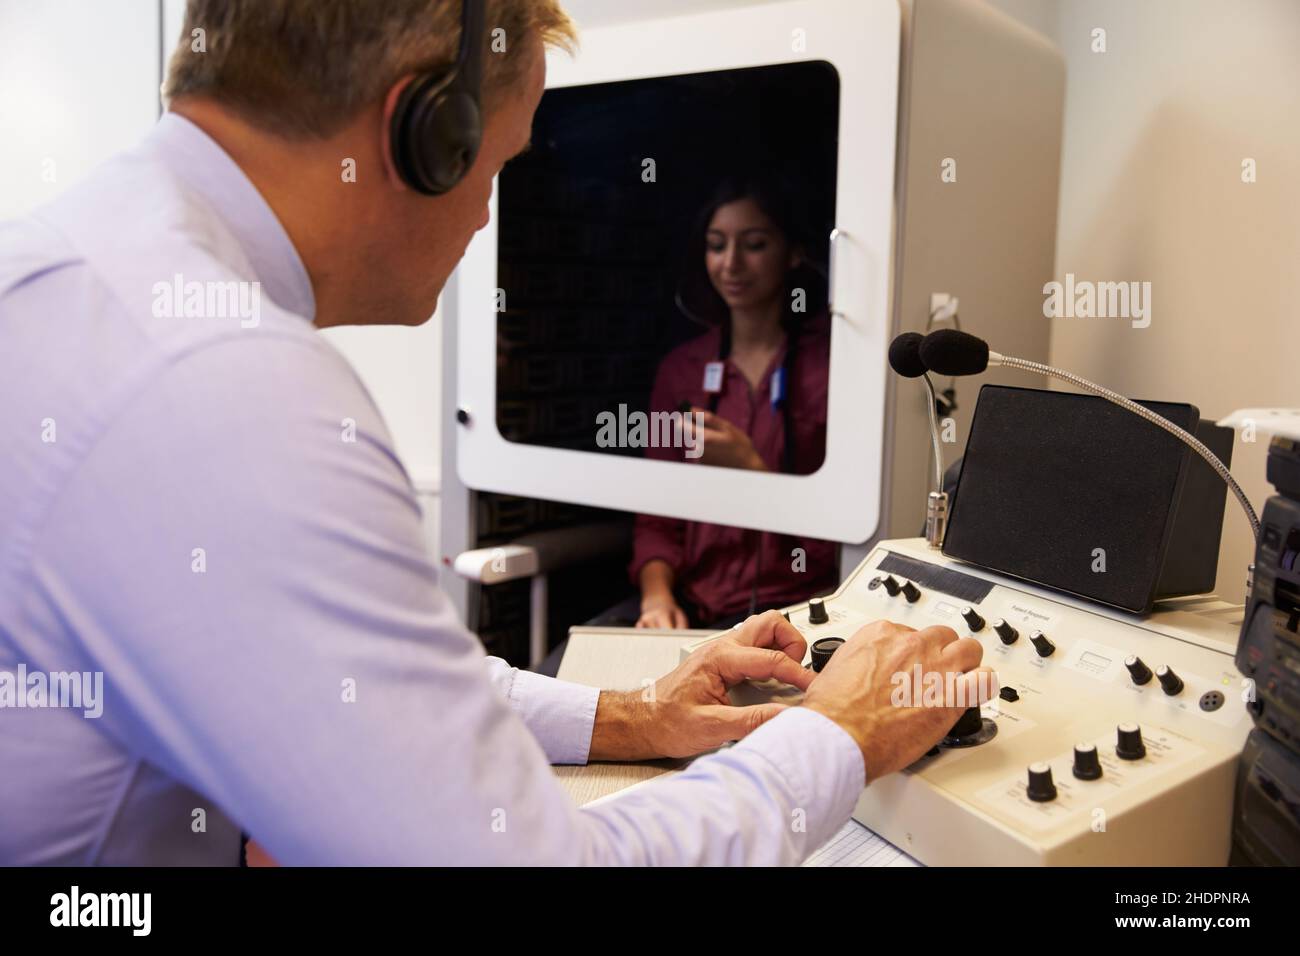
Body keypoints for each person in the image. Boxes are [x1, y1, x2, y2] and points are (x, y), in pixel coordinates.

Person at [0, 0, 993, 865]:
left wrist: (632, 714)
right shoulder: (227, 388)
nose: (486, 215)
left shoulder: (76, 273)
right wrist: (835, 734)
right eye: (501, 165)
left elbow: (367, 680)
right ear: (422, 132)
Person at [631, 177, 839, 629]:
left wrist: (750, 466)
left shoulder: (833, 370)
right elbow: (657, 516)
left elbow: (838, 539)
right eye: (716, 245)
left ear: (794, 252)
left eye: (755, 244)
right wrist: (657, 598)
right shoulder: (681, 370)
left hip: (800, 613)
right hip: (695, 610)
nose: (731, 264)